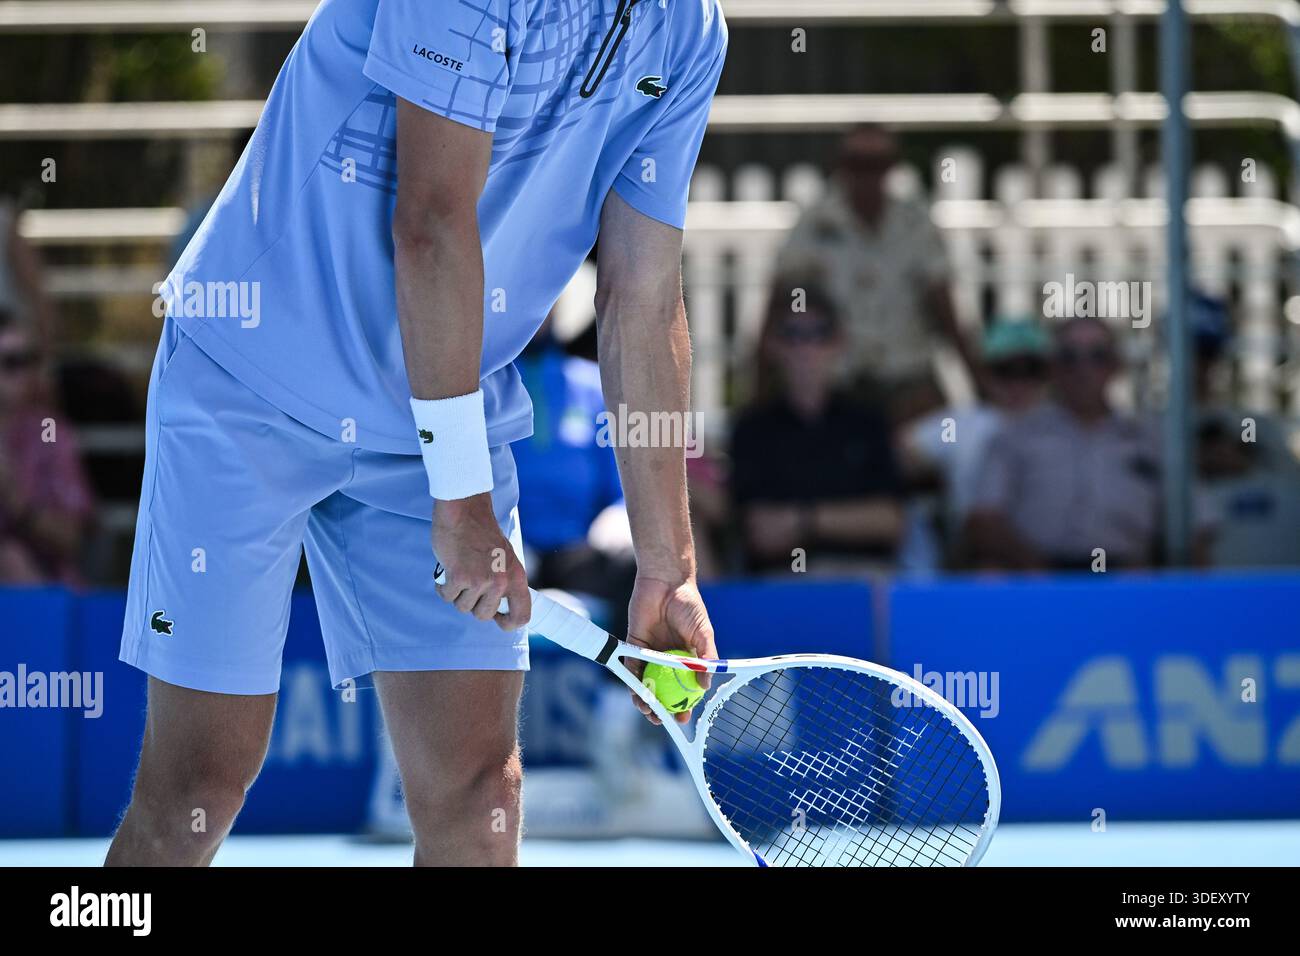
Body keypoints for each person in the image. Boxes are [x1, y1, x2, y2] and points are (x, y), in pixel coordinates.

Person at [107, 0, 727, 867]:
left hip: (439, 410)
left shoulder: (691, 31)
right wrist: (463, 497)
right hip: (252, 379)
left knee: (480, 799)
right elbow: (431, 220)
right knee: (194, 792)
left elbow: (645, 295)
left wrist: (669, 567)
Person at [966, 316, 1213, 571]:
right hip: (1036, 578)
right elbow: (983, 521)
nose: (1083, 368)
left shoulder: (1152, 440)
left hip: (1129, 580)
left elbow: (1197, 524)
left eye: (1097, 356)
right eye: (1069, 357)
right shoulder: (1014, 437)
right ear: (1053, 367)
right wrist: (1032, 568)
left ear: (1116, 366)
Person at [774, 125, 980, 424]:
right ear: (842, 166)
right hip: (835, 389)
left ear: (892, 167)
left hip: (908, 385)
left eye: (877, 165)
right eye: (858, 164)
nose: (867, 175)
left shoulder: (916, 224)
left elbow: (946, 311)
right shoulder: (814, 224)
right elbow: (781, 300)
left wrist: (979, 383)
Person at [731, 285, 904, 574]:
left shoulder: (868, 420)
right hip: (780, 586)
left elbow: (890, 522)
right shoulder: (751, 429)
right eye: (793, 334)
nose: (806, 347)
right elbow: (761, 535)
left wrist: (803, 520)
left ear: (839, 341)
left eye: (819, 333)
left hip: (865, 581)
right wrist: (850, 520)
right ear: (773, 345)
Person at [902, 318, 1050, 563]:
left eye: (1031, 370)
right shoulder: (961, 423)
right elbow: (896, 454)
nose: (1018, 383)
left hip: (1054, 557)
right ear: (985, 373)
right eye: (1006, 370)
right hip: (979, 559)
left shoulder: (1065, 425)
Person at [0, 311, 95, 584]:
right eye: (11, 362)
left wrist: (15, 499)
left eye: (29, 359)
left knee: (11, 558)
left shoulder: (51, 434)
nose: (25, 372)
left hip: (47, 598)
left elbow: (73, 541)